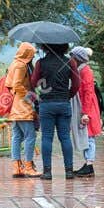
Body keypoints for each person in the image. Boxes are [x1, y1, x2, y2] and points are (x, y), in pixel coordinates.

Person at [29, 42, 78, 178]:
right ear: (64, 46)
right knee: (65, 137)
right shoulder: (70, 62)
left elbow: (33, 83)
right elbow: (76, 84)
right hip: (63, 103)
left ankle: (47, 172)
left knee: (47, 137)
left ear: (45, 46)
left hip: (47, 104)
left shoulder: (41, 63)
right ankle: (69, 171)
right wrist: (68, 95)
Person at [3, 42, 38, 177]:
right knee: (30, 136)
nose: (33, 57)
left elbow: (9, 84)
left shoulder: (13, 63)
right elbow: (17, 84)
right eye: (32, 54)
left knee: (17, 136)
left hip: (15, 104)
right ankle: (28, 166)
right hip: (23, 105)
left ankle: (17, 167)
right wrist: (30, 96)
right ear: (27, 54)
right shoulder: (21, 65)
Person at [69, 46, 102, 176]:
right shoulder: (80, 70)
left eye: (73, 57)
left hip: (87, 108)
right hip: (84, 107)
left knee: (88, 137)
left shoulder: (85, 71)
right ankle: (88, 164)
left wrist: (85, 112)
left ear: (78, 58)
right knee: (85, 135)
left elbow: (88, 92)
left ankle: (89, 165)